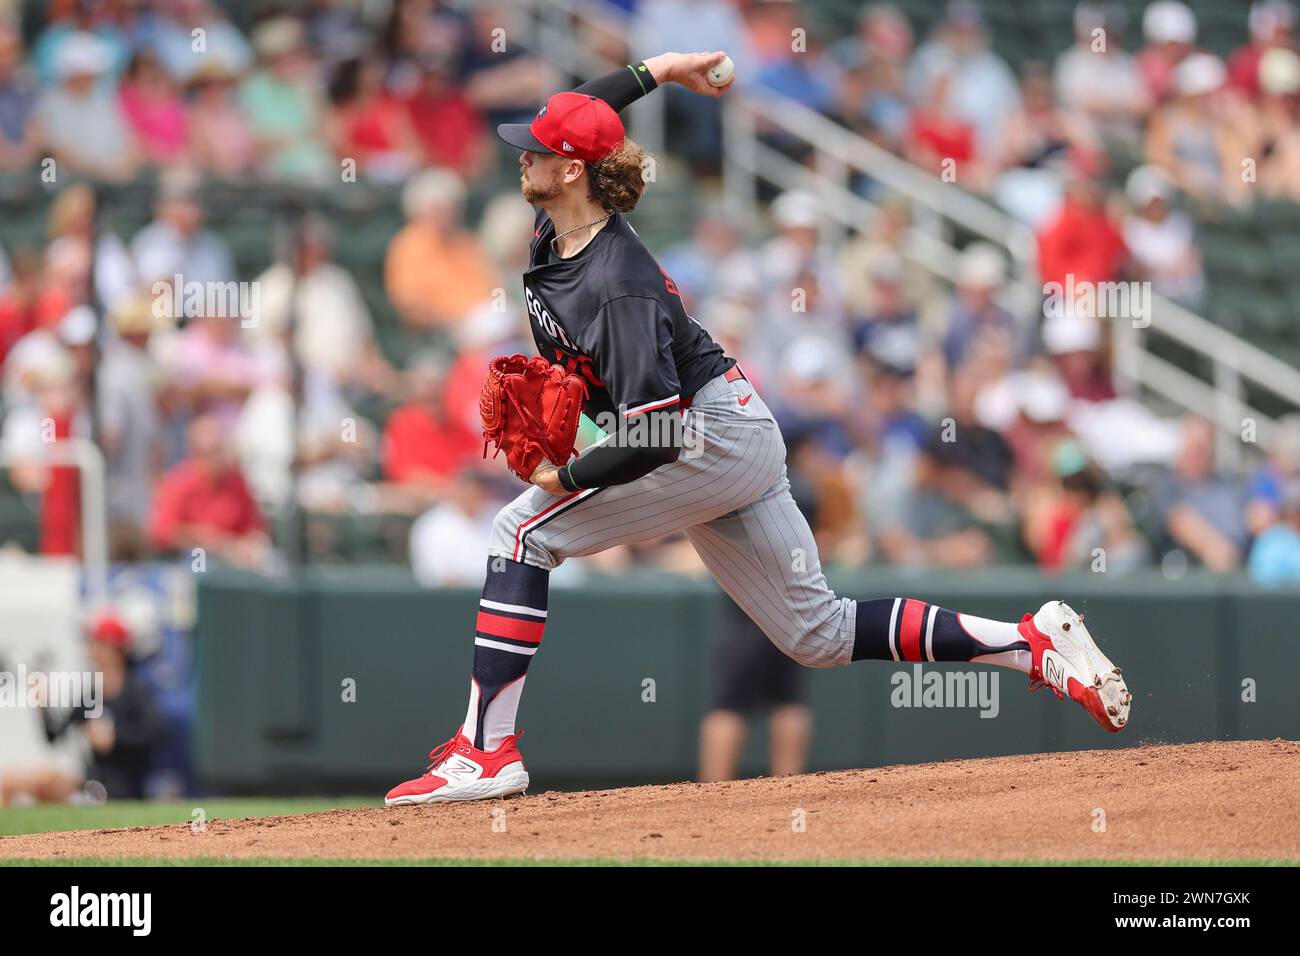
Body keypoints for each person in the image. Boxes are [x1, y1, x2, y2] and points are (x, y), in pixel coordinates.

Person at [384, 51, 1131, 808]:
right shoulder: (563, 218)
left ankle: (486, 749)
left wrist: (568, 475)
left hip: (705, 436)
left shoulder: (619, 286)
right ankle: (1032, 644)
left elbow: (659, 435)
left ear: (572, 171)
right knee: (819, 635)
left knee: (521, 533)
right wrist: (661, 69)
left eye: (536, 150)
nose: (523, 154)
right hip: (732, 430)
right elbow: (581, 110)